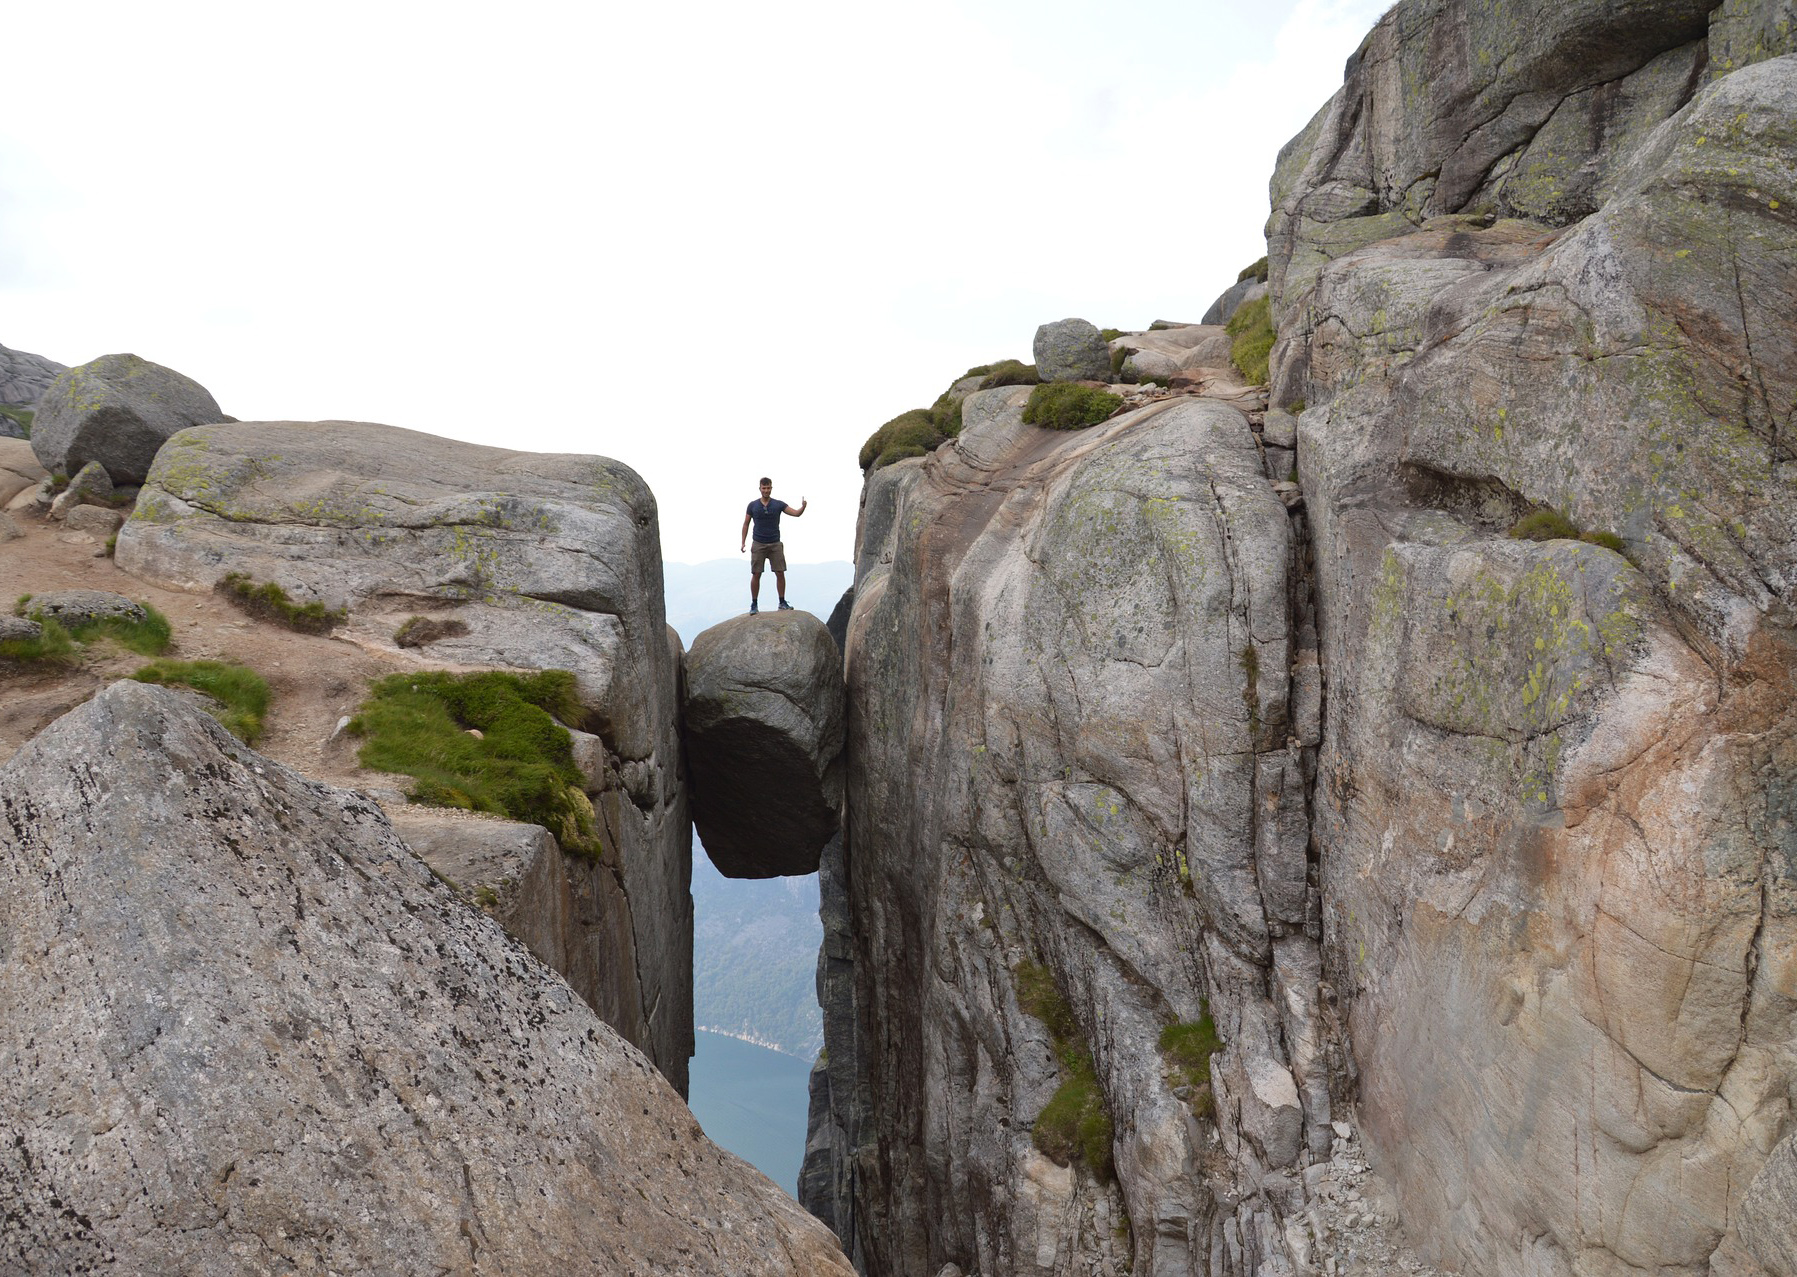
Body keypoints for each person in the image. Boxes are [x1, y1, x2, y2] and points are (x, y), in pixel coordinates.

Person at [740, 477, 808, 613]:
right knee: (756, 573)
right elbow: (746, 523)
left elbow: (796, 514)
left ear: (771, 488)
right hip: (758, 543)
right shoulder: (752, 505)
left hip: (775, 543)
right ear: (760, 489)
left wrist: (803, 507)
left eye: (768, 488)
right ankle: (754, 604)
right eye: (764, 488)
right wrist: (743, 542)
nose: (766, 490)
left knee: (780, 572)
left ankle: (782, 602)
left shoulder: (778, 504)